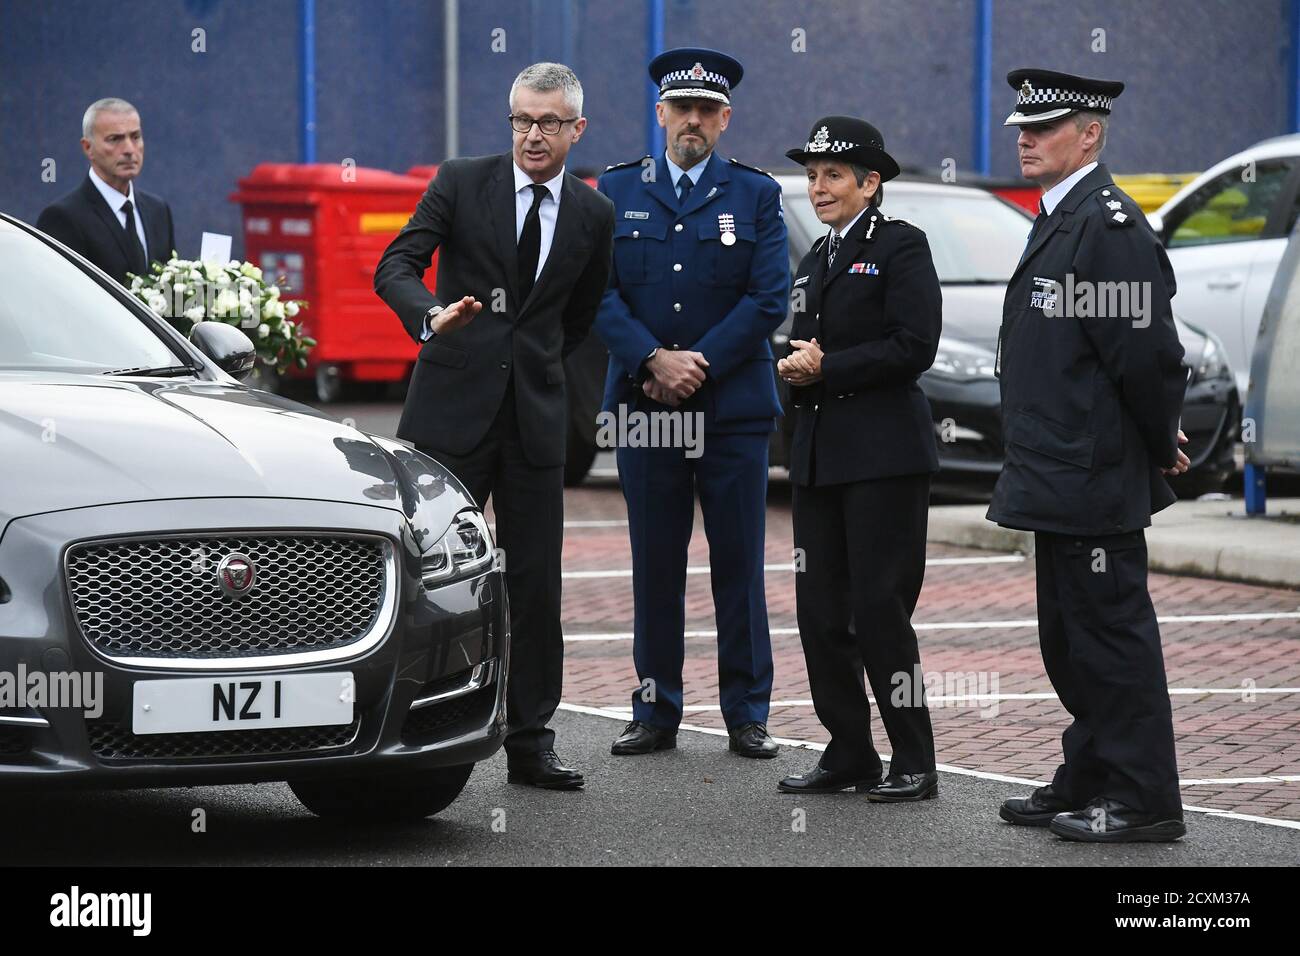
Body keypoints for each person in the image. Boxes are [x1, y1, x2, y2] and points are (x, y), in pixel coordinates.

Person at [374, 62, 615, 790]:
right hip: (451, 415)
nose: (531, 135)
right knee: (425, 575)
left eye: (547, 123)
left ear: (576, 130)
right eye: (520, 120)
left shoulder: (591, 214)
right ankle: (404, 727)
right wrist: (430, 316)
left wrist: (537, 369)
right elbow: (397, 264)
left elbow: (579, 319)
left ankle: (532, 740)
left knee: (536, 587)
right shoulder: (460, 181)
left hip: (535, 425)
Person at [989, 69, 1191, 842]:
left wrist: (1155, 438)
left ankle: (1144, 798)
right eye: (1021, 126)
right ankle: (1092, 769)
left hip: (1092, 473)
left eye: (1044, 126)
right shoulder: (1062, 218)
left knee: (1109, 641)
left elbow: (1146, 357)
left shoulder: (1106, 227)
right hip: (1056, 470)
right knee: (1070, 641)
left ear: (1091, 133)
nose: (1025, 137)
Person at [594, 48, 789, 759]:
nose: (694, 122)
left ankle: (746, 712)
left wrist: (694, 366)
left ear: (725, 119)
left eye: (708, 111)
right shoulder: (615, 191)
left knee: (739, 564)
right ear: (661, 115)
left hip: (731, 410)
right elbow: (596, 293)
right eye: (683, 109)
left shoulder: (756, 194)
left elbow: (769, 297)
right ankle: (655, 710)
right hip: (647, 406)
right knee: (655, 563)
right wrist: (653, 358)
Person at [774, 117, 942, 801]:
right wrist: (793, 367)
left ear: (871, 183)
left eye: (833, 175)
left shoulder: (901, 246)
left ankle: (915, 759)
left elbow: (914, 345)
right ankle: (848, 751)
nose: (819, 188)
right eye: (812, 177)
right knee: (820, 615)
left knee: (879, 611)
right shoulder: (816, 256)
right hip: (820, 460)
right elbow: (803, 352)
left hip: (883, 461)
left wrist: (828, 366)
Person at [37, 98, 177, 288]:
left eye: (135, 137)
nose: (129, 149)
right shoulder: (63, 218)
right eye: (115, 139)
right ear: (88, 148)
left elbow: (170, 289)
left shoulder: (158, 210)